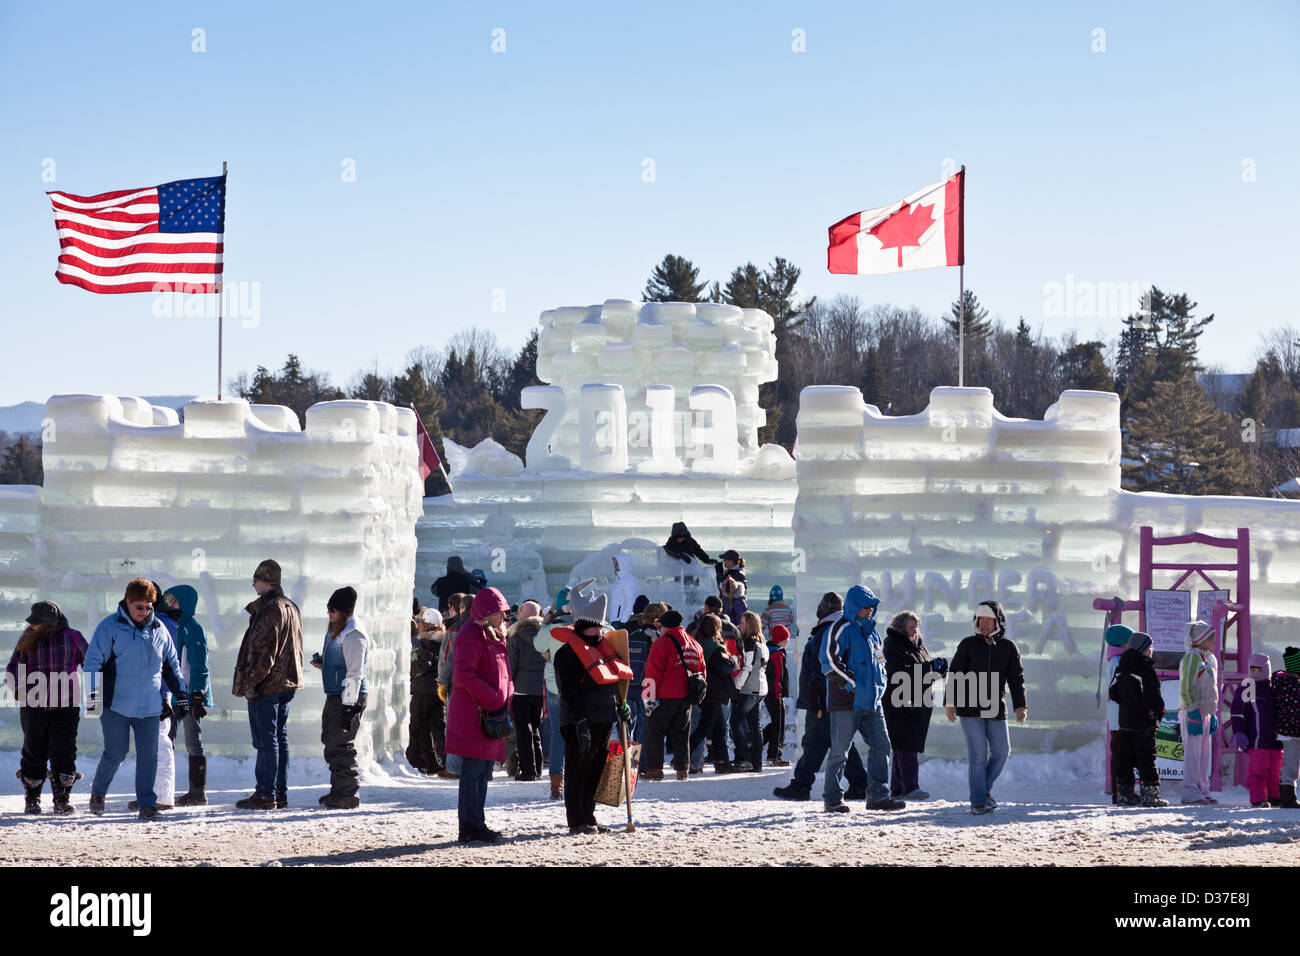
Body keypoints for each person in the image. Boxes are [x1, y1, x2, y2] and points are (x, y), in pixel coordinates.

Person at [83, 579, 195, 819]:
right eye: (138, 606)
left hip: (150, 705)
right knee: (116, 753)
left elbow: (171, 665)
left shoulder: (159, 630)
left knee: (149, 755)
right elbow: (92, 662)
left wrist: (181, 695)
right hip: (117, 704)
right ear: (127, 602)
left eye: (148, 606)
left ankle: (147, 804)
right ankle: (98, 793)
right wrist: (93, 699)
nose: (144, 611)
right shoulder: (109, 627)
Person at [773, 592, 868, 801]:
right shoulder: (847, 629)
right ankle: (861, 784)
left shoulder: (826, 631)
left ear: (823, 610)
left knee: (814, 741)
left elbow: (821, 668)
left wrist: (815, 697)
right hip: (842, 698)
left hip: (823, 698)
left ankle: (801, 785)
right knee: (841, 742)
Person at [552, 588, 630, 834]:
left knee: (595, 769)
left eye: (600, 628)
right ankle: (577, 821)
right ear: (581, 627)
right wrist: (580, 722)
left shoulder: (602, 649)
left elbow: (613, 683)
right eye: (593, 628)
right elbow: (569, 692)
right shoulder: (567, 654)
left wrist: (622, 706)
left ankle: (589, 816)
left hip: (603, 718)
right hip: (580, 720)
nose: (598, 632)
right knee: (578, 769)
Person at [820, 586, 902, 812]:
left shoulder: (874, 633)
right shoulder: (840, 628)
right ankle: (833, 799)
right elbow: (828, 660)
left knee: (882, 745)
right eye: (866, 606)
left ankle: (877, 796)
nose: (869, 610)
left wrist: (881, 683)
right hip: (847, 702)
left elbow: (880, 662)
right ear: (855, 606)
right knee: (839, 752)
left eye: (872, 606)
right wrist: (851, 683)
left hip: (873, 702)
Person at [232, 558, 305, 810]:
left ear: (266, 581)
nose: (253, 584)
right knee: (278, 737)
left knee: (266, 740)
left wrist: (251, 680)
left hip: (268, 685)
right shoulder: (290, 607)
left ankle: (265, 794)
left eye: (256, 579)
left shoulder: (270, 608)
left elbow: (265, 652)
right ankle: (278, 792)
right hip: (286, 684)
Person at [944, 601, 1027, 815]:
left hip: (995, 708)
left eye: (989, 619)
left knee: (1002, 752)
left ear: (998, 621)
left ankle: (983, 790)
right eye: (981, 619)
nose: (984, 623)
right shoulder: (967, 644)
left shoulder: (1009, 647)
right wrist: (950, 702)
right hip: (969, 709)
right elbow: (955, 674)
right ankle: (978, 801)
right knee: (978, 754)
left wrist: (1020, 705)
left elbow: (1016, 679)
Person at [6, 601, 87, 814]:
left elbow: (91, 664)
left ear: (51, 623)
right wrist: (18, 690)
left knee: (64, 751)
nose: (33, 626)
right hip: (34, 703)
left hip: (66, 704)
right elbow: (13, 668)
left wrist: (97, 691)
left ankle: (62, 800)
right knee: (34, 750)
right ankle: (32, 800)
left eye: (38, 623)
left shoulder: (74, 638)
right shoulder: (27, 639)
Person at [446, 587, 513, 843]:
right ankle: (471, 827)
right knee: (474, 772)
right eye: (500, 613)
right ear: (487, 614)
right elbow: (464, 675)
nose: (504, 619)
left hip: (490, 713)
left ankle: (477, 823)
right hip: (475, 714)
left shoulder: (494, 635)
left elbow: (503, 671)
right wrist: (494, 697)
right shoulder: (472, 634)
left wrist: (507, 694)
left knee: (483, 772)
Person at [310, 586, 369, 809]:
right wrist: (324, 664)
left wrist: (348, 706)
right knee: (332, 741)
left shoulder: (353, 634)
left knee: (341, 744)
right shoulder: (340, 630)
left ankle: (347, 793)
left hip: (347, 697)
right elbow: (343, 665)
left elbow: (355, 672)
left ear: (344, 611)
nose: (328, 612)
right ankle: (339, 790)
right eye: (328, 608)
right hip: (337, 695)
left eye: (332, 608)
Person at [882, 611, 946, 801]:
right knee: (905, 744)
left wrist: (938, 670)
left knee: (903, 746)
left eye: (916, 626)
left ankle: (898, 789)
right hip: (900, 701)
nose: (915, 630)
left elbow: (922, 671)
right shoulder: (892, 645)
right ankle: (910, 786)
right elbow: (900, 672)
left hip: (917, 701)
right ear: (901, 628)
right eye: (911, 627)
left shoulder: (917, 645)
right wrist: (930, 667)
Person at [640, 609, 704, 781]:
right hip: (686, 697)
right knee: (682, 733)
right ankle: (682, 770)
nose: (659, 630)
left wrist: (648, 698)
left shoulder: (662, 643)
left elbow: (652, 672)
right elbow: (702, 672)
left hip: (665, 696)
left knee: (655, 731)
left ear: (666, 626)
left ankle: (654, 770)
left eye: (660, 626)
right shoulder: (694, 643)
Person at [163, 586, 211, 807]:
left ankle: (197, 791)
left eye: (174, 601)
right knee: (165, 741)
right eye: (168, 601)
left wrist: (198, 693)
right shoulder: (176, 626)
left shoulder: (192, 628)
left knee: (193, 742)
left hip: (190, 695)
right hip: (176, 694)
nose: (170, 605)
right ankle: (163, 789)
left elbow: (200, 665)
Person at [1108, 631, 1168, 807]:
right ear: (1143, 649)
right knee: (1146, 758)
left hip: (1125, 721)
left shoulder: (1121, 667)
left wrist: (1127, 704)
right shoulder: (1145, 670)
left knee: (1124, 758)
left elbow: (1113, 691)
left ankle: (1124, 794)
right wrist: (1157, 713)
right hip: (1144, 723)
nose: (1152, 650)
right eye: (1150, 646)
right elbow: (1153, 697)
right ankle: (1150, 795)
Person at [1230, 652, 1282, 808]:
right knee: (1258, 770)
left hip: (1276, 740)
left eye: (1259, 669)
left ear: (1266, 669)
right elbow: (1237, 712)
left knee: (1275, 772)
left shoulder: (1273, 689)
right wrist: (1239, 732)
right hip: (1256, 740)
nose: (1255, 672)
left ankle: (1274, 796)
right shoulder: (1247, 688)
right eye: (1252, 668)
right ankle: (1258, 798)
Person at [1177, 620, 1221, 805]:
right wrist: (1192, 709)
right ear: (1200, 639)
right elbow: (1186, 685)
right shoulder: (1192, 657)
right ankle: (1190, 790)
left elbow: (1211, 686)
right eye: (1210, 638)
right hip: (1191, 711)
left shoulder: (1209, 657)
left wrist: (1212, 712)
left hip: (1205, 712)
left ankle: (1203, 788)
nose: (1213, 642)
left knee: (1204, 753)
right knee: (1193, 753)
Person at [689, 613, 738, 774]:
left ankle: (721, 761)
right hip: (717, 692)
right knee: (712, 727)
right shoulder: (715, 647)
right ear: (715, 629)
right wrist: (735, 660)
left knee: (714, 727)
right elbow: (727, 667)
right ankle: (685, 756)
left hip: (703, 690)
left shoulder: (697, 643)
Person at [536, 588, 572, 799]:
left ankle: (556, 785)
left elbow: (538, 647)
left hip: (554, 686)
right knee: (580, 733)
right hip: (579, 687)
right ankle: (578, 781)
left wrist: (546, 622)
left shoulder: (549, 629)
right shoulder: (581, 625)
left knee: (558, 734)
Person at [508, 600, 548, 782]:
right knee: (535, 728)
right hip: (541, 689)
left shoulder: (515, 638)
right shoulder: (545, 636)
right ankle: (538, 768)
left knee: (523, 730)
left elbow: (511, 667)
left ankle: (528, 771)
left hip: (521, 690)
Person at [407, 607, 446, 775]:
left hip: (423, 689)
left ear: (423, 623)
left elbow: (424, 663)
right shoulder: (444, 641)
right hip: (439, 689)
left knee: (419, 726)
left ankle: (424, 762)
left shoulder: (423, 641)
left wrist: (410, 669)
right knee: (438, 727)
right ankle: (444, 761)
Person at [731, 611, 769, 773]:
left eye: (743, 623)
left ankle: (743, 758)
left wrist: (737, 687)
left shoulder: (749, 643)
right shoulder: (762, 643)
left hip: (749, 688)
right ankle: (756, 762)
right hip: (760, 688)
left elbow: (747, 668)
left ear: (750, 625)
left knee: (735, 722)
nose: (740, 625)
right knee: (756, 726)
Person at [436, 592, 470, 779]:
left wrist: (442, 681)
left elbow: (446, 657)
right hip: (479, 686)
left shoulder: (455, 628)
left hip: (456, 684)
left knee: (455, 726)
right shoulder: (484, 627)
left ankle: (454, 766)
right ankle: (475, 764)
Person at [626, 602, 664, 745]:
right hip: (648, 684)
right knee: (646, 723)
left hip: (630, 683)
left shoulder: (633, 635)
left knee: (629, 723)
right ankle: (641, 762)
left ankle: (628, 758)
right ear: (657, 619)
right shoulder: (656, 636)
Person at [1274, 647, 1300, 809]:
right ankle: (1287, 797)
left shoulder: (1283, 684)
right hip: (1292, 732)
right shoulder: (1292, 686)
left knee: (1291, 764)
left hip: (1287, 731)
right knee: (1290, 765)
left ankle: (1288, 795)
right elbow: (1295, 712)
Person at [763, 624, 791, 766]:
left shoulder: (770, 651)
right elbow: (777, 677)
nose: (789, 640)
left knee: (776, 723)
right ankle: (774, 755)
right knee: (779, 724)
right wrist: (779, 693)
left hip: (771, 693)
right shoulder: (778, 654)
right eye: (787, 638)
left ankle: (757, 743)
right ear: (781, 640)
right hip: (775, 694)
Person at [609, 552, 639, 626]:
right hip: (616, 619)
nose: (614, 566)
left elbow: (631, 601)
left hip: (620, 621)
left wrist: (623, 621)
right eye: (614, 564)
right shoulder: (620, 579)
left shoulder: (628, 580)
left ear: (624, 564)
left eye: (617, 564)